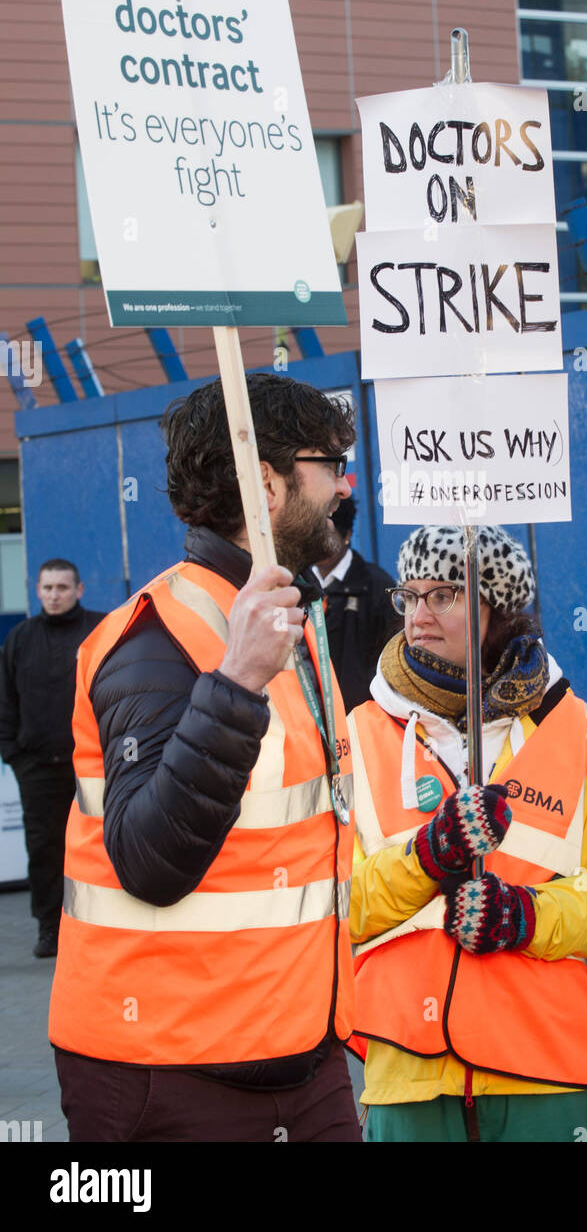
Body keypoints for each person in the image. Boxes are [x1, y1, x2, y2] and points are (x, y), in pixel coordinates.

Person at [49, 374, 360, 1143]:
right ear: (268, 483)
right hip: (169, 1074)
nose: (345, 485)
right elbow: (149, 860)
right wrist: (236, 682)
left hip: (301, 1055)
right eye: (330, 464)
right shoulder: (157, 639)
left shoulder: (287, 615)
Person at [348, 523, 587, 1143]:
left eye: (445, 595)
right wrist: (426, 858)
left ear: (498, 608)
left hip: (545, 1069)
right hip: (408, 1071)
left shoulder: (580, 731)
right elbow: (334, 907)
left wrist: (526, 917)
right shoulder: (357, 734)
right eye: (410, 596)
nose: (420, 616)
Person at [0, 559, 104, 957]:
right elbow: (6, 701)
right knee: (45, 852)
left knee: (100, 849)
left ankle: (99, 928)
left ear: (79, 590)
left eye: (62, 587)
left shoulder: (99, 630)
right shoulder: (21, 639)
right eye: (47, 588)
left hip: (93, 768)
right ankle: (51, 929)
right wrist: (15, 755)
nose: (54, 595)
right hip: (38, 769)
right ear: (37, 591)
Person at [311, 494, 400, 713]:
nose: (318, 544)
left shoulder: (378, 587)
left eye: (327, 537)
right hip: (310, 720)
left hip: (360, 721)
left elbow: (390, 665)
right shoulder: (297, 584)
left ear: (347, 535)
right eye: (313, 535)